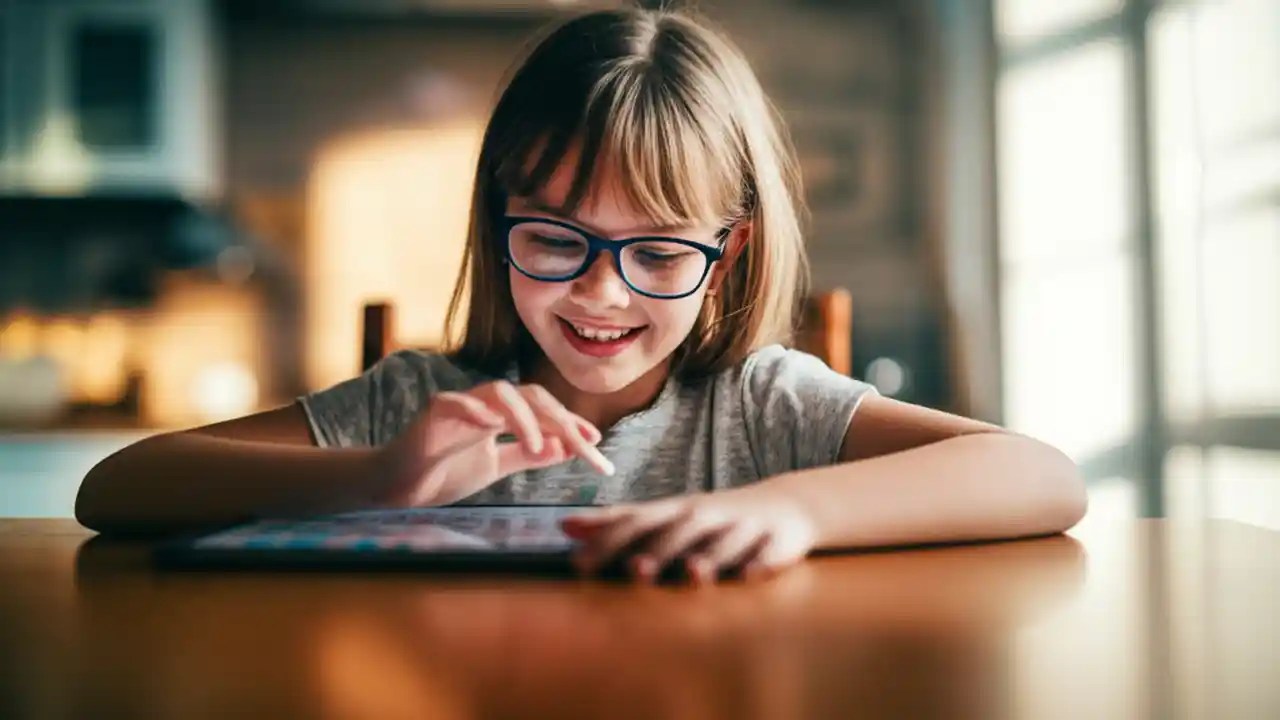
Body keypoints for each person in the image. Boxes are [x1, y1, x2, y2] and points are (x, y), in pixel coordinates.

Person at [76, 7, 1086, 583]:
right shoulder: (421, 406)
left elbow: (1041, 477)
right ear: (498, 221)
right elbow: (114, 488)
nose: (600, 292)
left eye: (655, 254)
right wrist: (379, 477)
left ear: (725, 254)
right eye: (555, 239)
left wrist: (793, 512)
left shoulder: (760, 407)